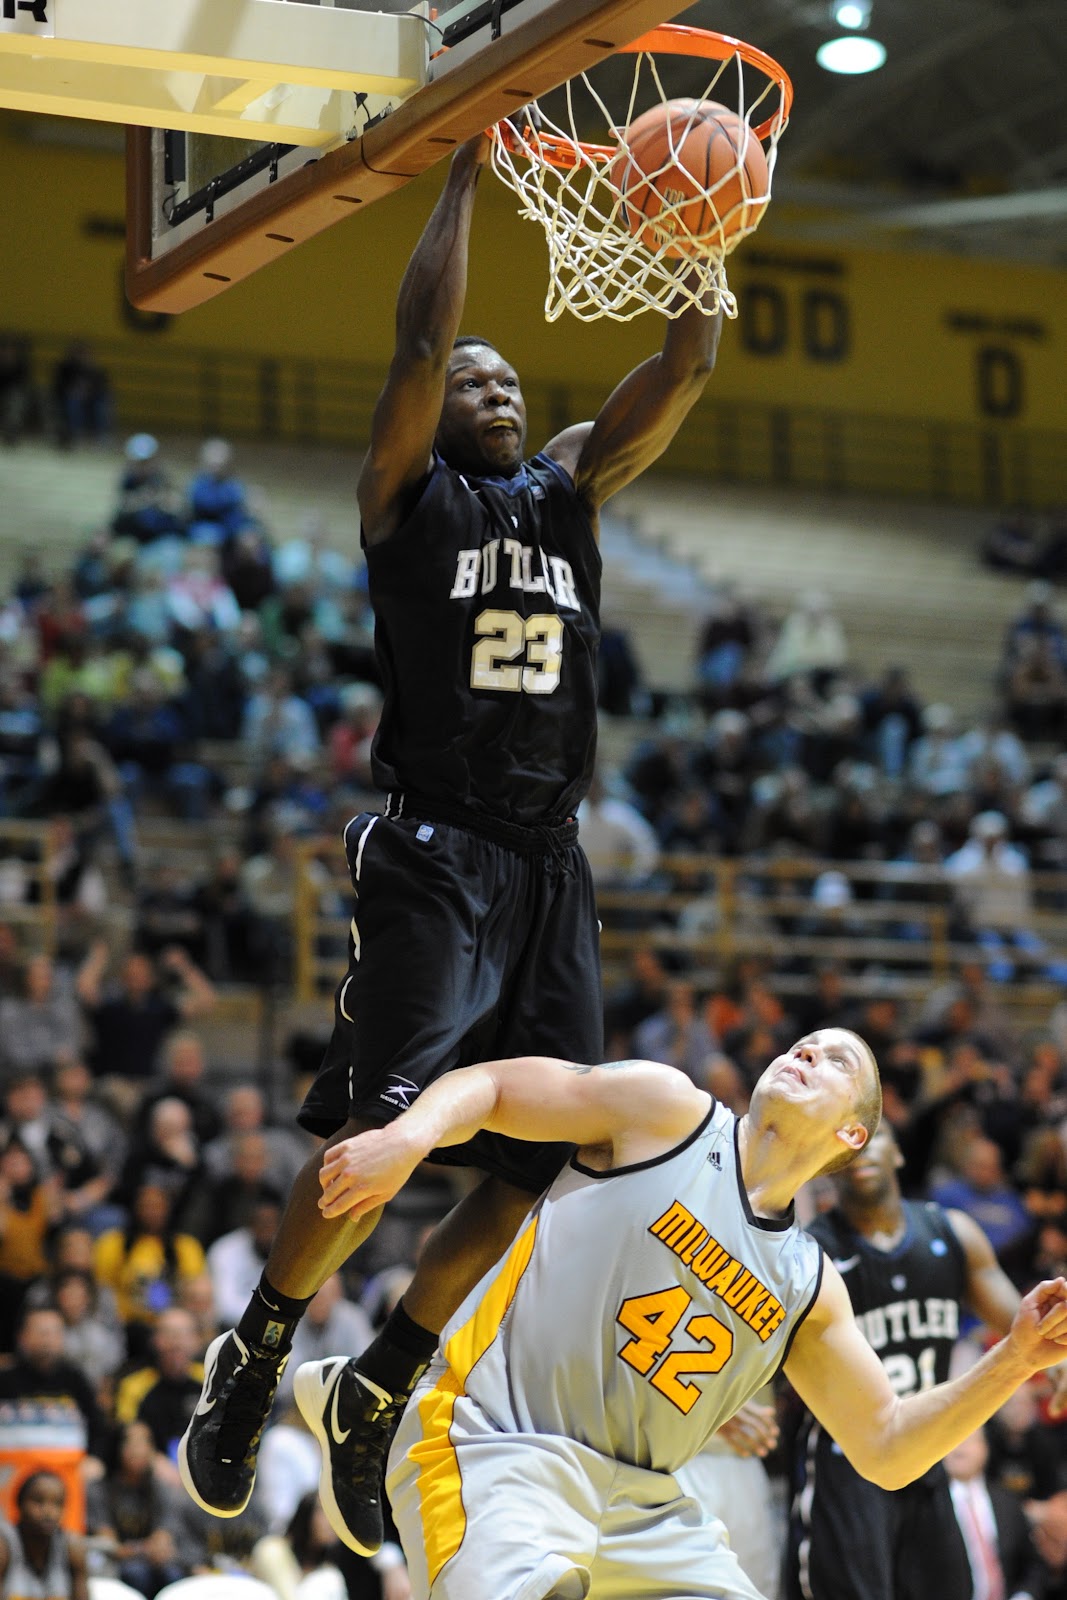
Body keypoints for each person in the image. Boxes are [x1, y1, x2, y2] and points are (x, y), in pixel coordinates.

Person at [179, 124, 723, 1554]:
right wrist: (467, 171)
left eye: (506, 380)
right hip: (435, 849)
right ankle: (255, 1357)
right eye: (472, 379)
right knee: (377, 1138)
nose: (488, 386)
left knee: (534, 1165)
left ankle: (380, 1383)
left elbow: (683, 377)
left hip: (550, 866)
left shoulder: (564, 491)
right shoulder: (407, 503)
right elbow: (420, 343)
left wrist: (700, 248)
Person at [291, 1030, 1067, 1600]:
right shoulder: (667, 1113)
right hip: (494, 1445)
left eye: (837, 1062)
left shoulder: (805, 1282)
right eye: (802, 1045)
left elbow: (888, 1447)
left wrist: (1017, 1359)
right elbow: (495, 1087)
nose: (806, 1054)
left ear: (851, 1135)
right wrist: (407, 1137)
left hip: (643, 1503)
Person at [784, 1120, 1067, 1600]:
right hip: (845, 1464)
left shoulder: (949, 1233)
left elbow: (1022, 1324)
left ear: (899, 1153)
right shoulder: (808, 1254)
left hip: (928, 1452)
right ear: (826, 1168)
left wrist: (1057, 1362)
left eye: (872, 1134)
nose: (861, 1149)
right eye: (843, 1143)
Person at [0, 1470, 87, 1600]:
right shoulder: (4, 1545)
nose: (49, 1512)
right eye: (38, 1501)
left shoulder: (72, 1548)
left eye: (57, 1503)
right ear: (19, 1503)